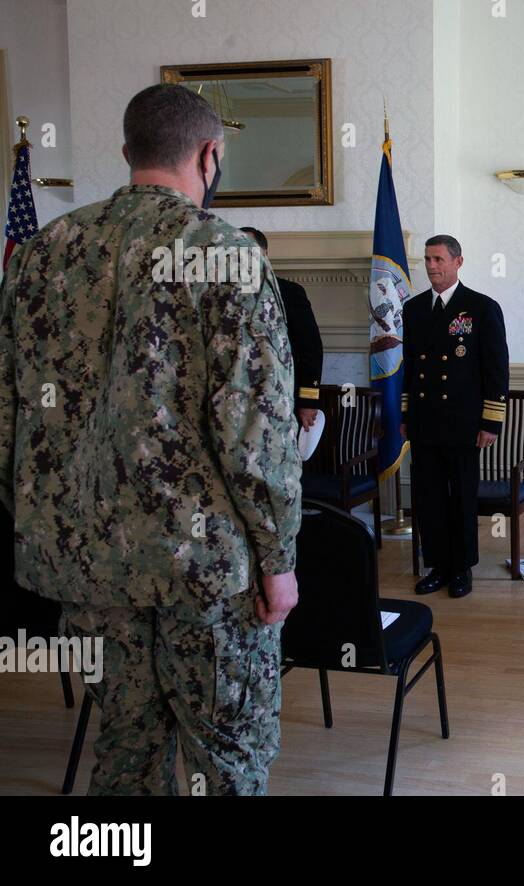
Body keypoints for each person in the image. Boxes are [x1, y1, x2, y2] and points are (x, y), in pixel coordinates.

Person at [0, 84, 301, 795]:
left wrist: (43, 524)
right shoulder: (226, 254)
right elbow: (256, 432)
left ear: (127, 152)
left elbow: (8, 414)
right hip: (206, 568)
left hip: (85, 564)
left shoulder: (41, 255)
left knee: (124, 748)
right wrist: (278, 555)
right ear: (210, 154)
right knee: (226, 754)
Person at [400, 235, 508, 599]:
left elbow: (496, 370)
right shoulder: (413, 309)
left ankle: (462, 568)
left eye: (439, 259)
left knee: (461, 496)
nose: (432, 266)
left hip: (463, 423)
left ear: (458, 262)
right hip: (425, 420)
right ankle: (438, 565)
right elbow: (410, 368)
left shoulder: (480, 307)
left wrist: (490, 421)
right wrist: (405, 414)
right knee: (429, 497)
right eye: (428, 260)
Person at [240, 227, 324, 429]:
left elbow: (310, 349)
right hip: (237, 400)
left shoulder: (289, 293)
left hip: (280, 398)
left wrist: (308, 401)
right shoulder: (219, 294)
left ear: (265, 254)